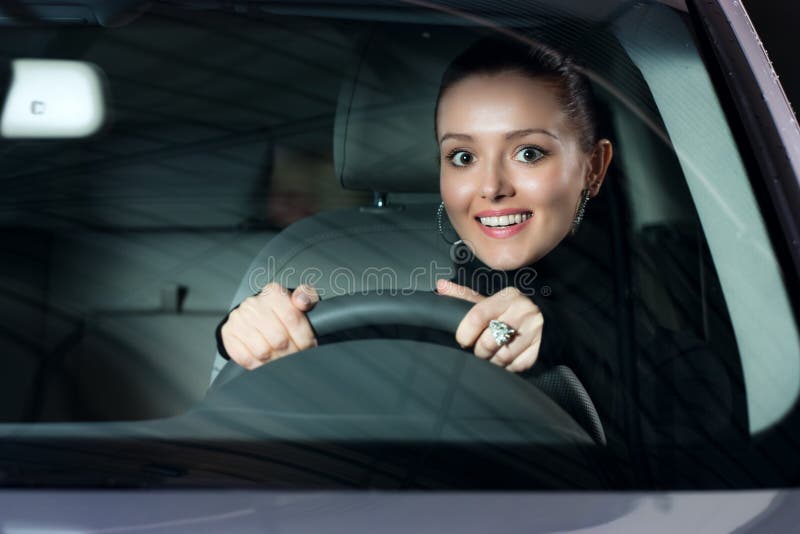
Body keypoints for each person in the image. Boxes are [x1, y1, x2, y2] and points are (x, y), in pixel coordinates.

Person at [215, 37, 613, 376]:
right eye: (462, 157)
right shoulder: (414, 296)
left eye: (528, 153)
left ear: (593, 168)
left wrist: (562, 341)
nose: (491, 187)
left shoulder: (656, 288)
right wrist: (258, 326)